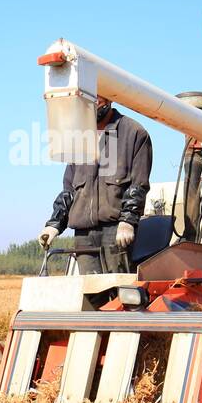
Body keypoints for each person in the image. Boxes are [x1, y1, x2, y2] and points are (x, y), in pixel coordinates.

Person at [38, 95, 152, 274]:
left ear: (110, 99)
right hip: (83, 235)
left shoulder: (134, 133)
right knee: (91, 294)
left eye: (97, 100)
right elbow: (69, 189)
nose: (93, 105)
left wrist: (127, 221)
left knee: (118, 292)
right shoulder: (80, 138)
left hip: (115, 232)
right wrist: (54, 224)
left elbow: (138, 184)